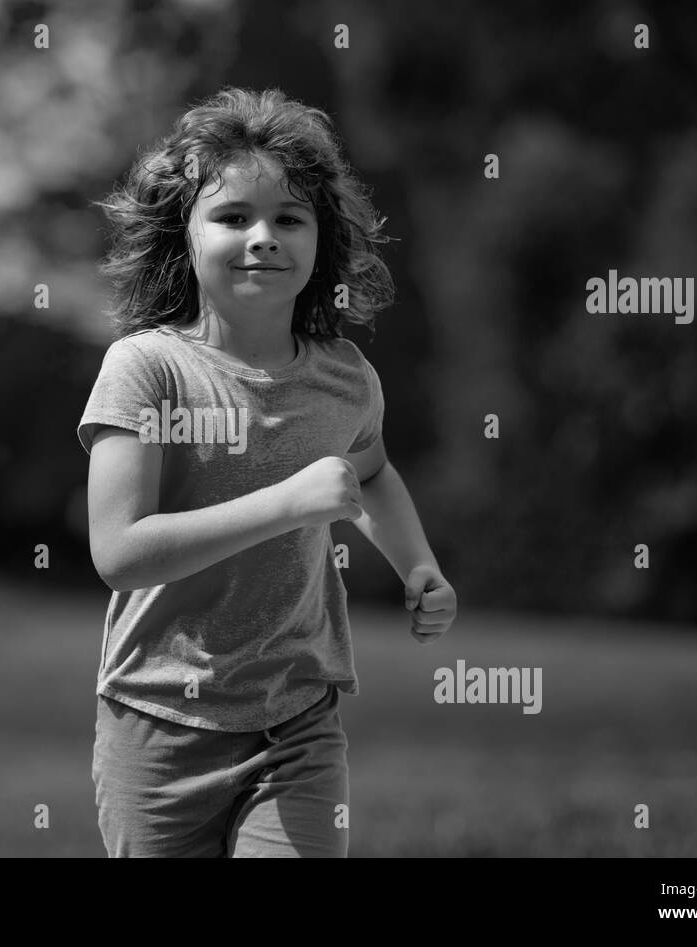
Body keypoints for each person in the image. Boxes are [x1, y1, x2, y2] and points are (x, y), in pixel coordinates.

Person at [77, 87, 457, 857]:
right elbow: (119, 551)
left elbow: (369, 475)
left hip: (297, 722)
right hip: (157, 726)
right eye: (232, 216)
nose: (263, 238)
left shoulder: (345, 378)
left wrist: (419, 565)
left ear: (321, 239)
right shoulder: (146, 368)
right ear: (183, 234)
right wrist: (286, 502)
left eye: (289, 218)